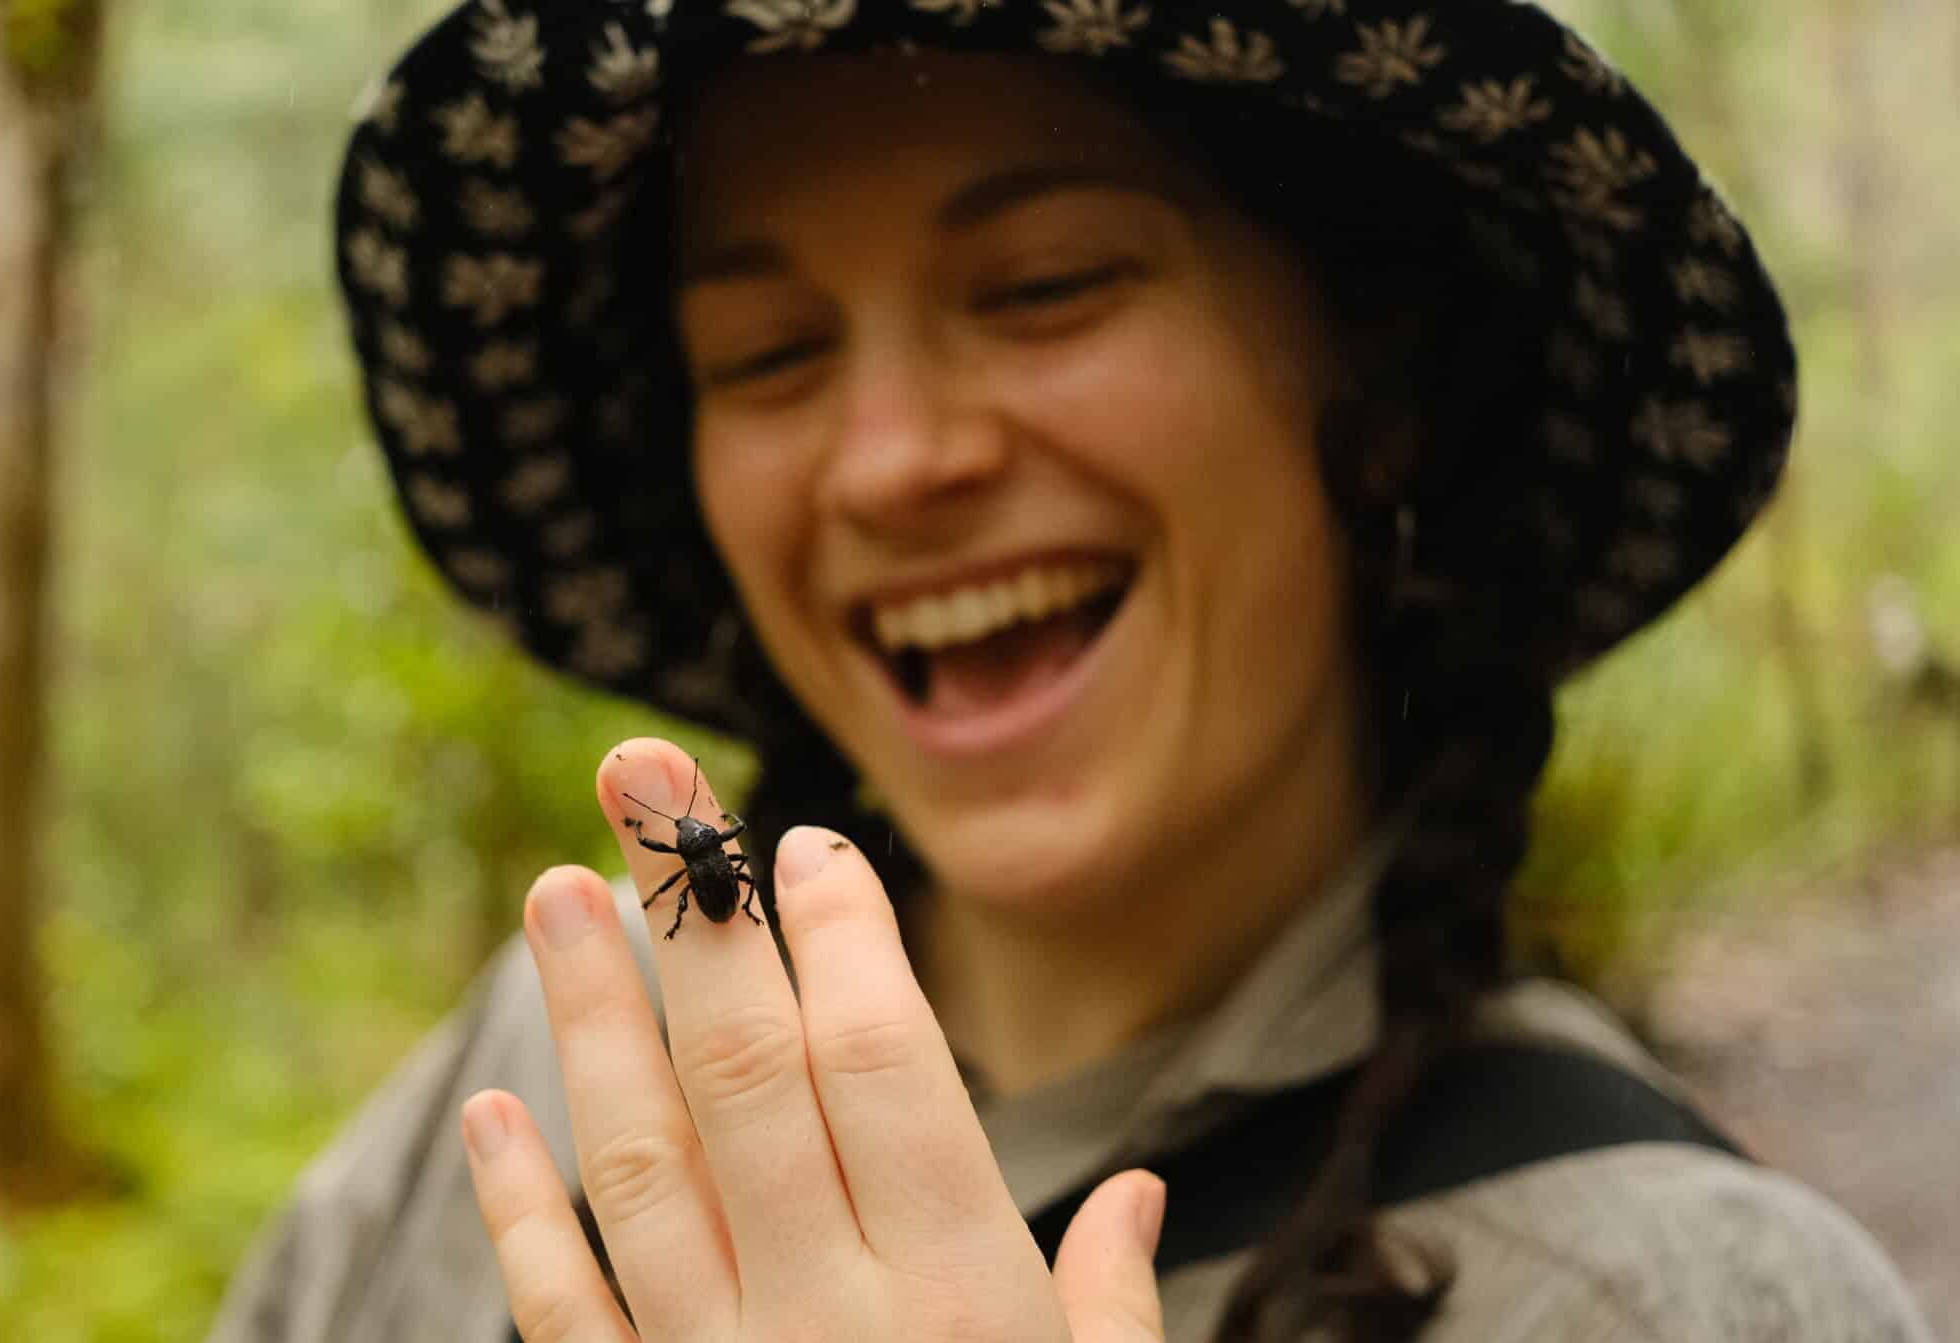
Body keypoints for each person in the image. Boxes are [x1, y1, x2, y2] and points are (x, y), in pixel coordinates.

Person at [214, 2, 1936, 1340]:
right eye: (768, 352)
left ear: (1385, 385)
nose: (888, 462)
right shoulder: (562, 1073)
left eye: (1046, 285)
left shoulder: (1677, 1293)